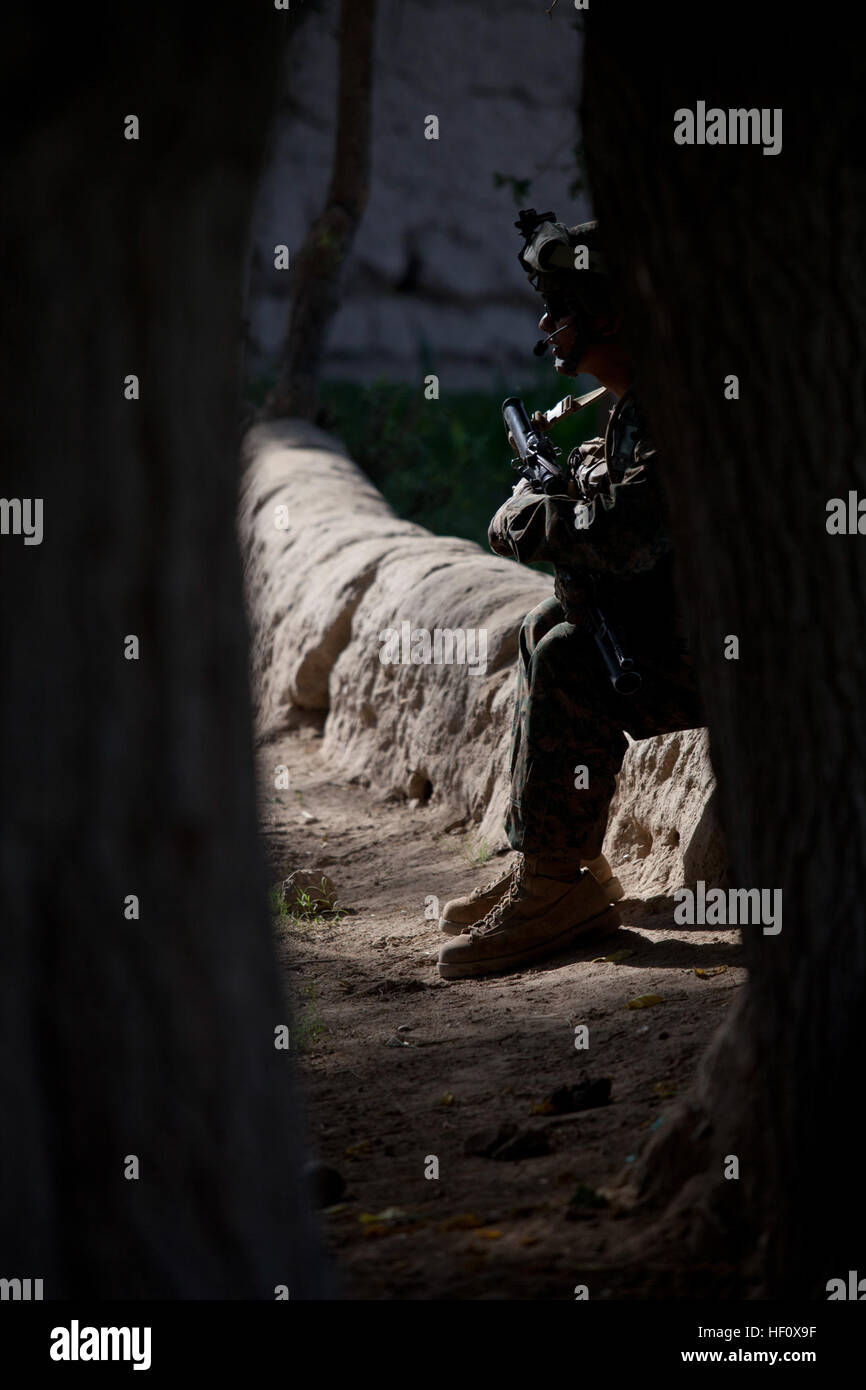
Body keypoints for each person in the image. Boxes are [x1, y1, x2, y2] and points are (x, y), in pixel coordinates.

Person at [437, 211, 703, 980]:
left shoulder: (673, 400)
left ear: (612, 315)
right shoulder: (641, 397)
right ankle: (566, 868)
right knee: (547, 624)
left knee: (568, 660)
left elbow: (630, 531)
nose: (546, 329)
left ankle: (554, 889)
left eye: (561, 312)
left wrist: (534, 519)